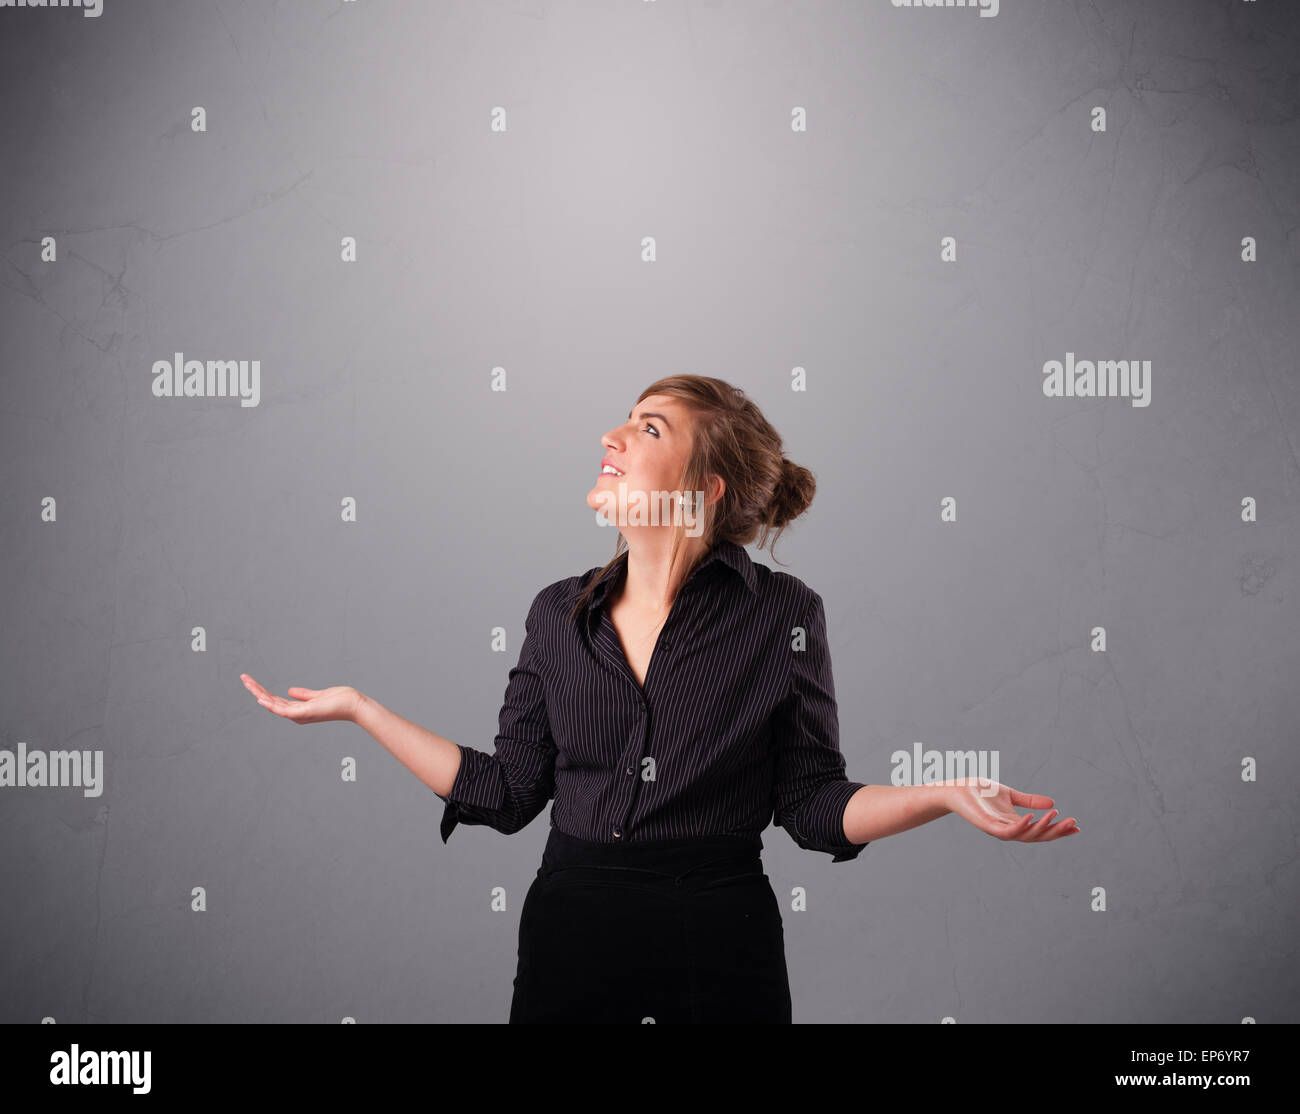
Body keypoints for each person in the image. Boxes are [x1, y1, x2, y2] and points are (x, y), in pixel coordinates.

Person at [240, 373, 1079, 1024]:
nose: (611, 435)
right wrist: (361, 709)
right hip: (571, 920)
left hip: (718, 924)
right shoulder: (556, 613)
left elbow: (813, 803)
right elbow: (505, 793)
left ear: (704, 487)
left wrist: (940, 793)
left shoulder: (785, 616)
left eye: (647, 427)